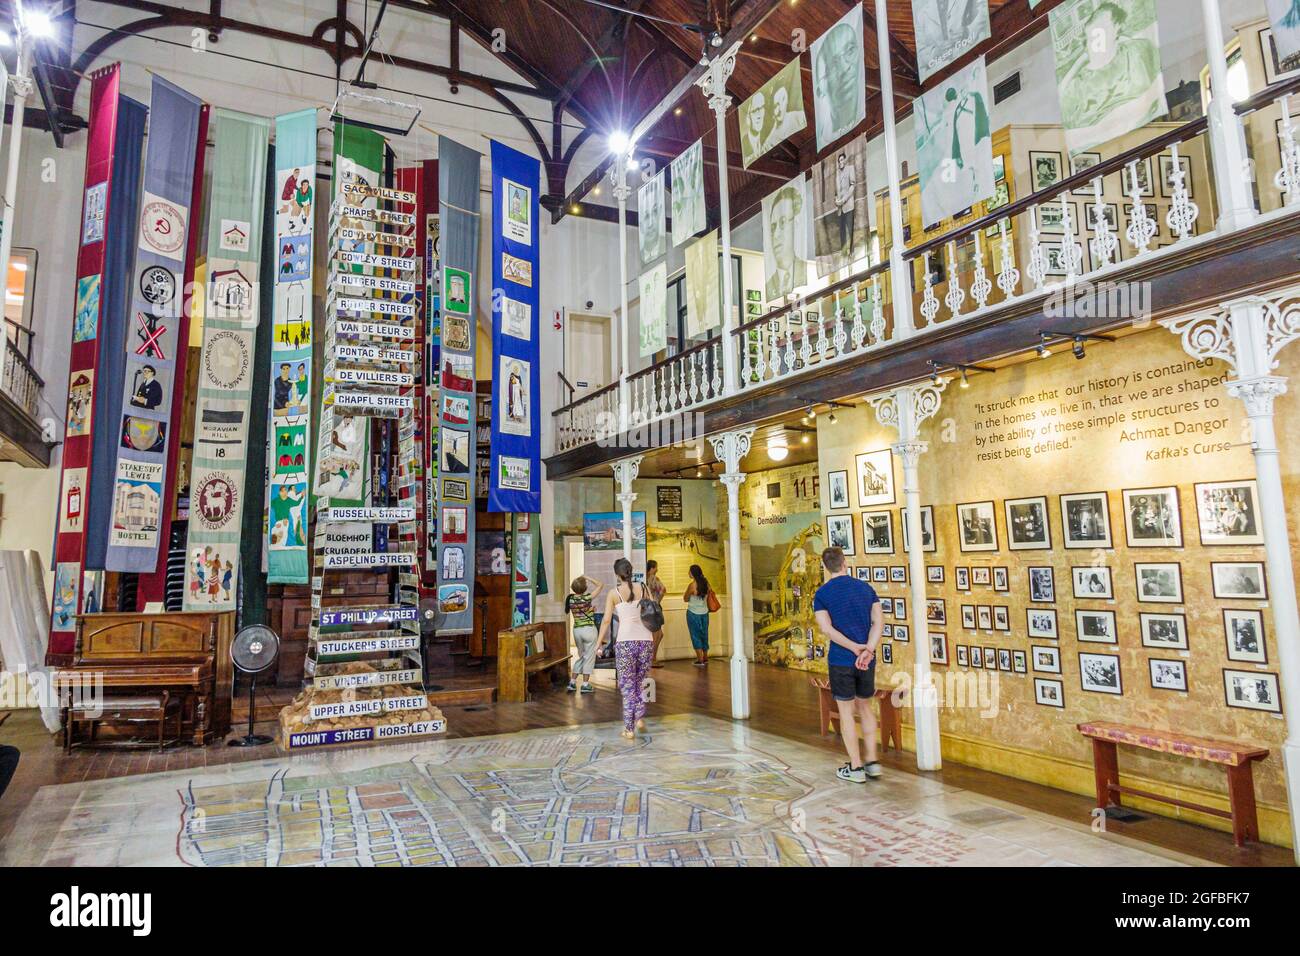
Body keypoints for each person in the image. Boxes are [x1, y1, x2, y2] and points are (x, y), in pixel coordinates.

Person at [813, 546, 884, 782]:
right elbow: (878, 622)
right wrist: (867, 650)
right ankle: (872, 762)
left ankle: (855, 768)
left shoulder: (822, 594)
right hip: (866, 660)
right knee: (865, 708)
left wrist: (854, 648)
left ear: (826, 567)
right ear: (845, 563)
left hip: (841, 659)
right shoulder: (866, 589)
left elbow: (826, 629)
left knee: (846, 712)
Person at [595, 558, 654, 739]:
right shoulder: (643, 588)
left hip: (625, 642)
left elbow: (606, 620)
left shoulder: (614, 593)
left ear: (616, 574)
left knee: (628, 686)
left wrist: (598, 643)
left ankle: (629, 729)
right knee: (642, 680)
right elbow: (653, 610)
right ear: (631, 571)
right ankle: (640, 716)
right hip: (646, 640)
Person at [565, 575, 603, 694]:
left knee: (581, 656)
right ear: (584, 588)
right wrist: (588, 577)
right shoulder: (587, 597)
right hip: (589, 630)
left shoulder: (570, 599)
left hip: (577, 631)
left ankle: (572, 682)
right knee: (589, 657)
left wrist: (590, 610)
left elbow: (580, 611)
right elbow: (601, 585)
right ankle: (585, 684)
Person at [682, 564, 711, 666]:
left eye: (689, 571)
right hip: (705, 613)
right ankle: (706, 657)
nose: (688, 573)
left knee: (695, 635)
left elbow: (685, 598)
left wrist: (690, 596)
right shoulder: (706, 583)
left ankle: (700, 660)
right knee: (704, 634)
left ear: (693, 573)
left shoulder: (692, 585)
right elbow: (708, 596)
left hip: (693, 613)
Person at [644, 560, 667, 668]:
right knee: (657, 635)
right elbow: (663, 589)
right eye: (656, 567)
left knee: (658, 634)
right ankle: (652, 659)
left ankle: (652, 658)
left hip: (645, 608)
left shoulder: (644, 578)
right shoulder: (654, 578)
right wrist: (658, 601)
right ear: (652, 568)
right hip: (654, 608)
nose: (657, 569)